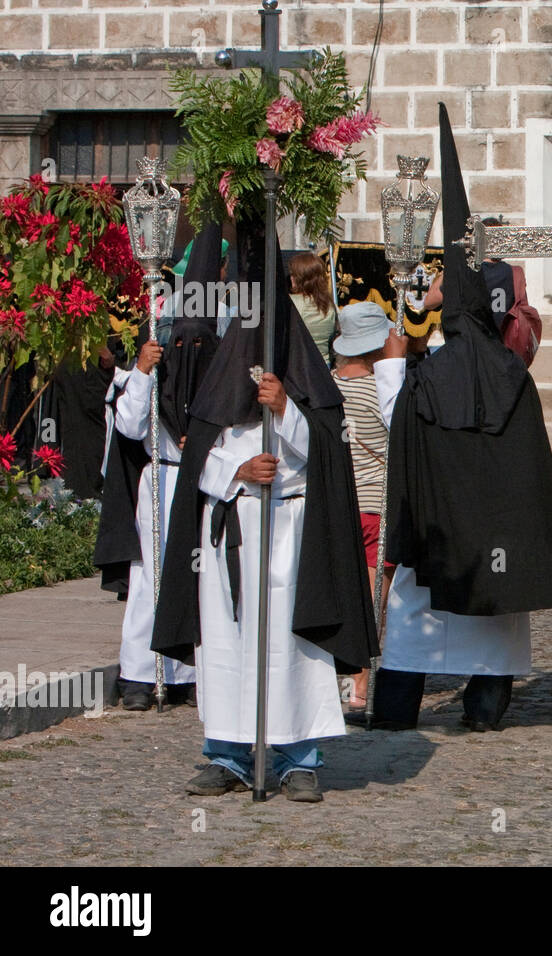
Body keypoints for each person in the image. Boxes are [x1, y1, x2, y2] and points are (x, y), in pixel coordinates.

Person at [357, 105, 552, 733]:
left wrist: (394, 366)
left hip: (438, 540)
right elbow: (530, 471)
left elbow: (398, 427)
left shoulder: (428, 375)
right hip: (495, 545)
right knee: (492, 636)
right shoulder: (515, 380)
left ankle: (394, 717)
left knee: (413, 631)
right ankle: (484, 712)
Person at [152, 226, 377, 803]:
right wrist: (237, 469)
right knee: (227, 647)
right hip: (231, 528)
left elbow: (330, 454)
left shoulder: (311, 387)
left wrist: (289, 413)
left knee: (290, 646)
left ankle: (298, 756)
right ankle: (225, 752)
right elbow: (196, 456)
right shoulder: (219, 384)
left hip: (292, 531)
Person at [94, 226, 226, 710]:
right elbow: (129, 429)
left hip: (199, 481)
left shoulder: (213, 378)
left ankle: (184, 675)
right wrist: (145, 373)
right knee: (150, 580)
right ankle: (137, 676)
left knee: (194, 579)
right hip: (160, 477)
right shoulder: (149, 375)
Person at [331, 301, 396, 711]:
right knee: (373, 606)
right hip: (376, 506)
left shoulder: (322, 385)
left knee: (337, 597)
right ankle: (360, 688)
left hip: (336, 506)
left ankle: (334, 681)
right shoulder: (381, 389)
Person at [423, 217, 541, 367]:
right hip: (501, 354)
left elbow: (430, 302)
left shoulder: (465, 273)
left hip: (470, 354)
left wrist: (453, 265)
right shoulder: (515, 273)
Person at [289, 252, 338, 366]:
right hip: (324, 365)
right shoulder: (331, 305)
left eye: (293, 274)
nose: (291, 278)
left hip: (300, 366)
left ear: (299, 278)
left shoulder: (292, 303)